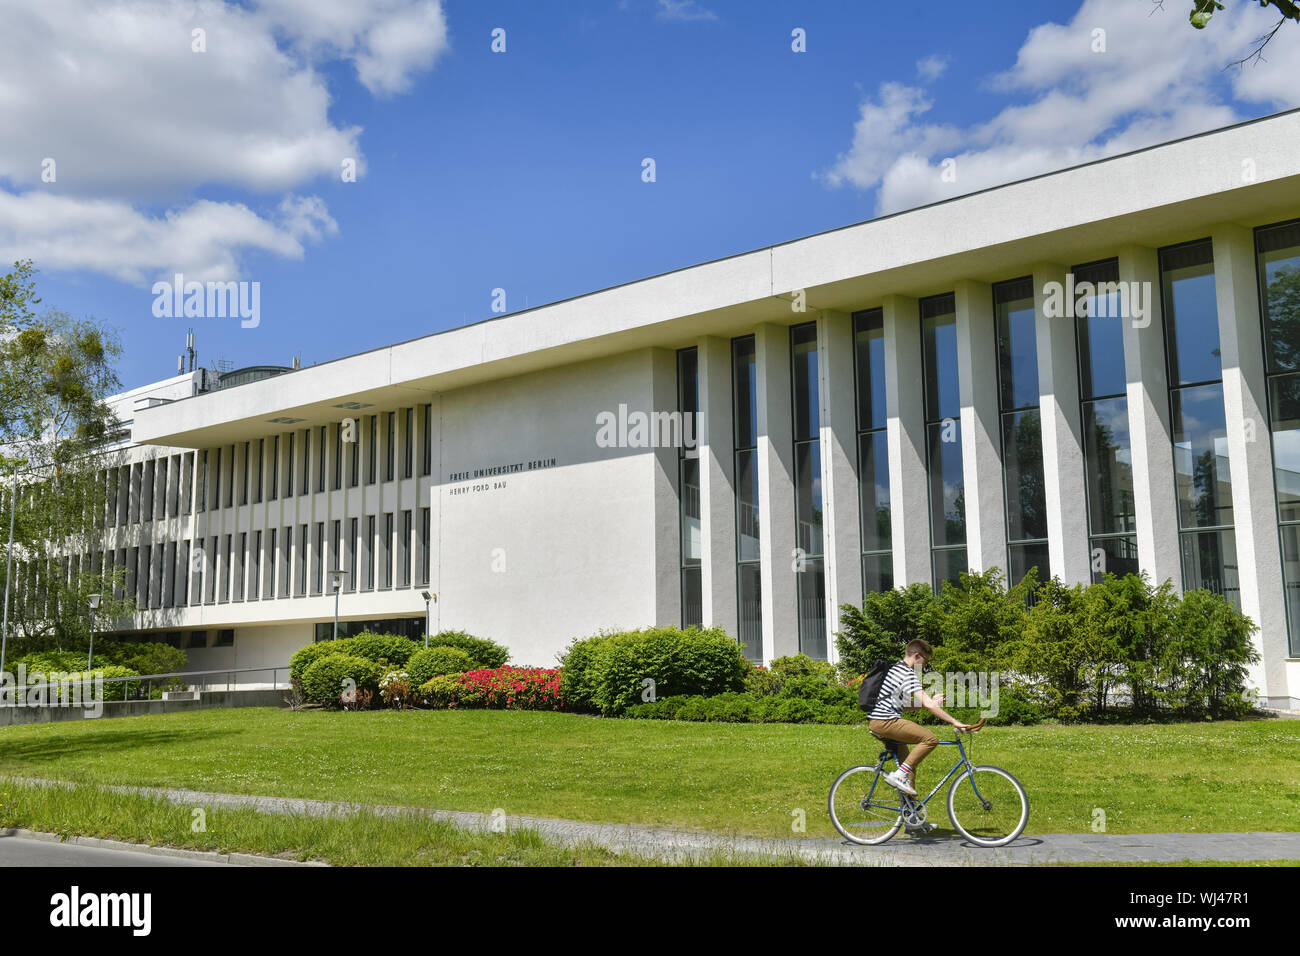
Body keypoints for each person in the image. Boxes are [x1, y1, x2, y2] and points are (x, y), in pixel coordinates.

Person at [868, 639, 974, 802]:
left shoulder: (897, 669)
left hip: (881, 721)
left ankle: (912, 820)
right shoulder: (908, 673)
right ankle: (898, 776)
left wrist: (928, 704)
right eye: (925, 661)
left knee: (909, 767)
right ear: (917, 656)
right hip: (886, 722)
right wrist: (954, 721)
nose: (925, 666)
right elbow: (927, 703)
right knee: (930, 739)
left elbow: (903, 706)